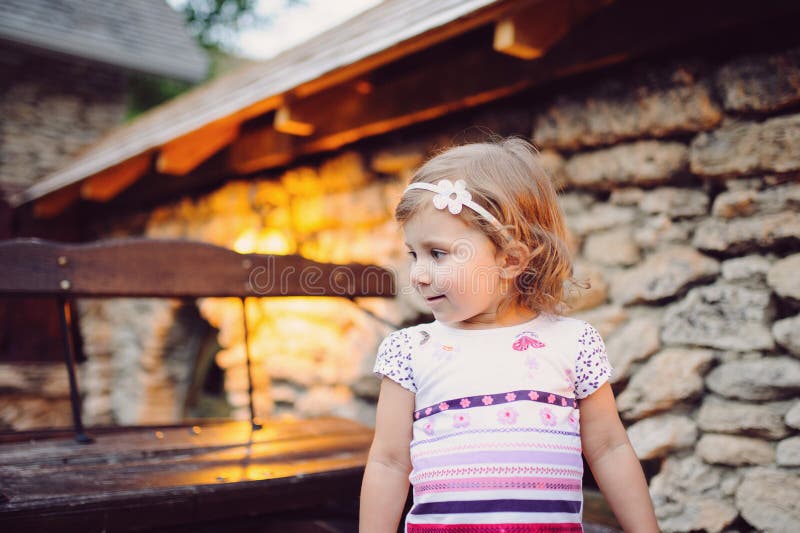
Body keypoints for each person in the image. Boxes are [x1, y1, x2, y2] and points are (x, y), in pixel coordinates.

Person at [359, 138, 659, 532]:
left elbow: (609, 448)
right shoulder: (410, 351)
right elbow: (389, 462)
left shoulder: (571, 343)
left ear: (510, 259)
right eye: (414, 254)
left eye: (438, 253)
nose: (418, 274)